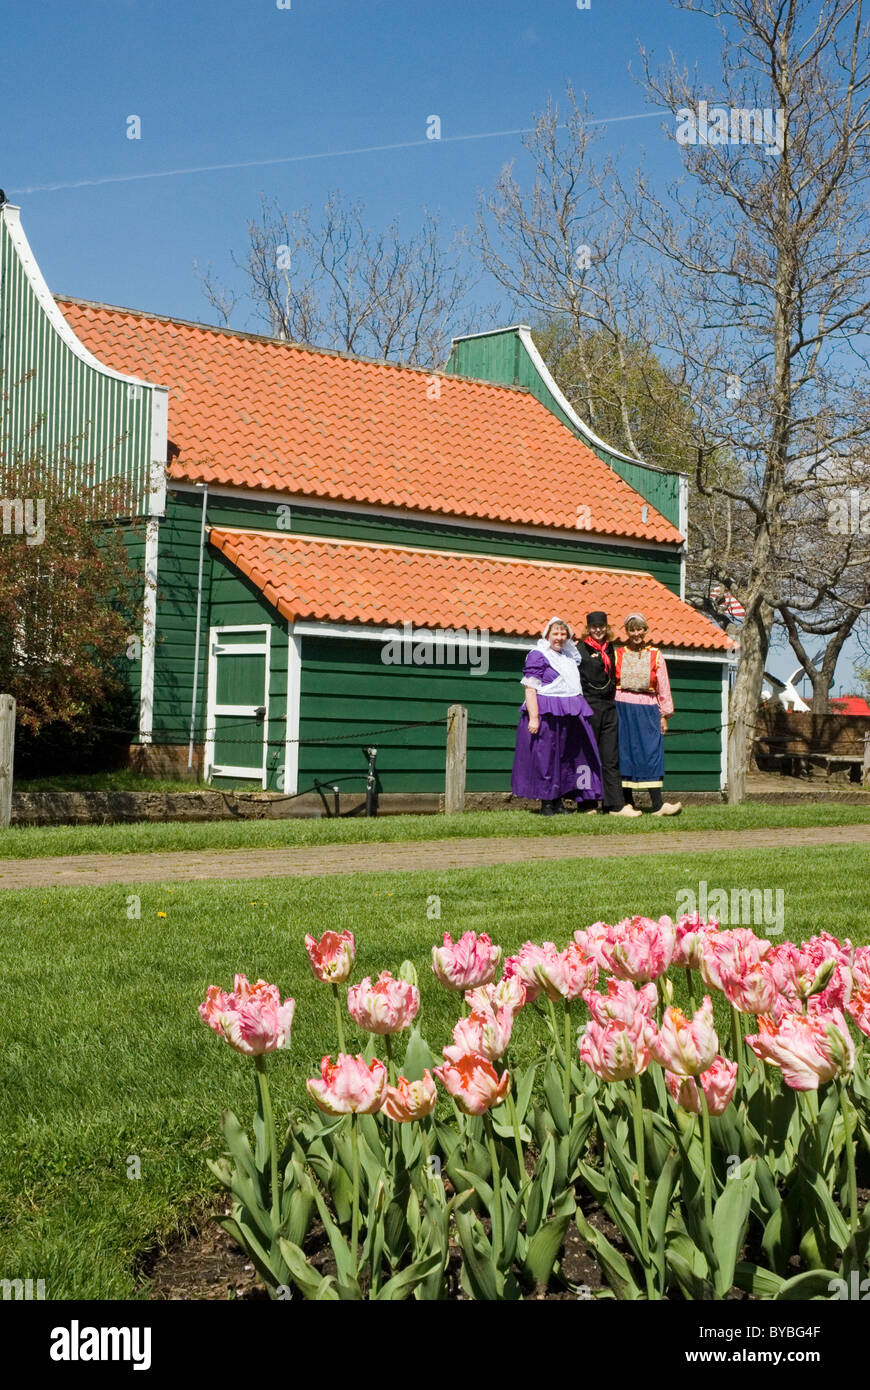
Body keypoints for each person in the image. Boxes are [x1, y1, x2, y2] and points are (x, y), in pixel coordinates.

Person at [511, 617, 603, 815]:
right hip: (546, 712)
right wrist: (534, 717)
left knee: (564, 757)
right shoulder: (539, 655)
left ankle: (559, 801)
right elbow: (530, 688)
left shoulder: (569, 658)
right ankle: (546, 803)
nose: (559, 638)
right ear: (547, 635)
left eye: (563, 634)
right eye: (556, 634)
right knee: (545, 757)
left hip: (567, 713)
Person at [614, 613, 682, 816]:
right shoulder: (617, 654)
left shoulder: (655, 654)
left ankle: (657, 804)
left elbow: (663, 685)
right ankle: (628, 803)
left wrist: (663, 715)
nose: (636, 633)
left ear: (645, 631)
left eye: (639, 629)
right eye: (632, 629)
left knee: (650, 752)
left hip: (648, 707)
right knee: (624, 752)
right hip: (622, 708)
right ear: (626, 631)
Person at [577, 611, 642, 817]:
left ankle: (613, 804)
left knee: (610, 757)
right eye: (594, 627)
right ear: (588, 629)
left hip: (609, 706)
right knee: (587, 755)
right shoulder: (580, 650)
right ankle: (586, 803)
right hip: (589, 706)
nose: (598, 630)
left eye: (601, 626)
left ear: (607, 628)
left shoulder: (612, 649)